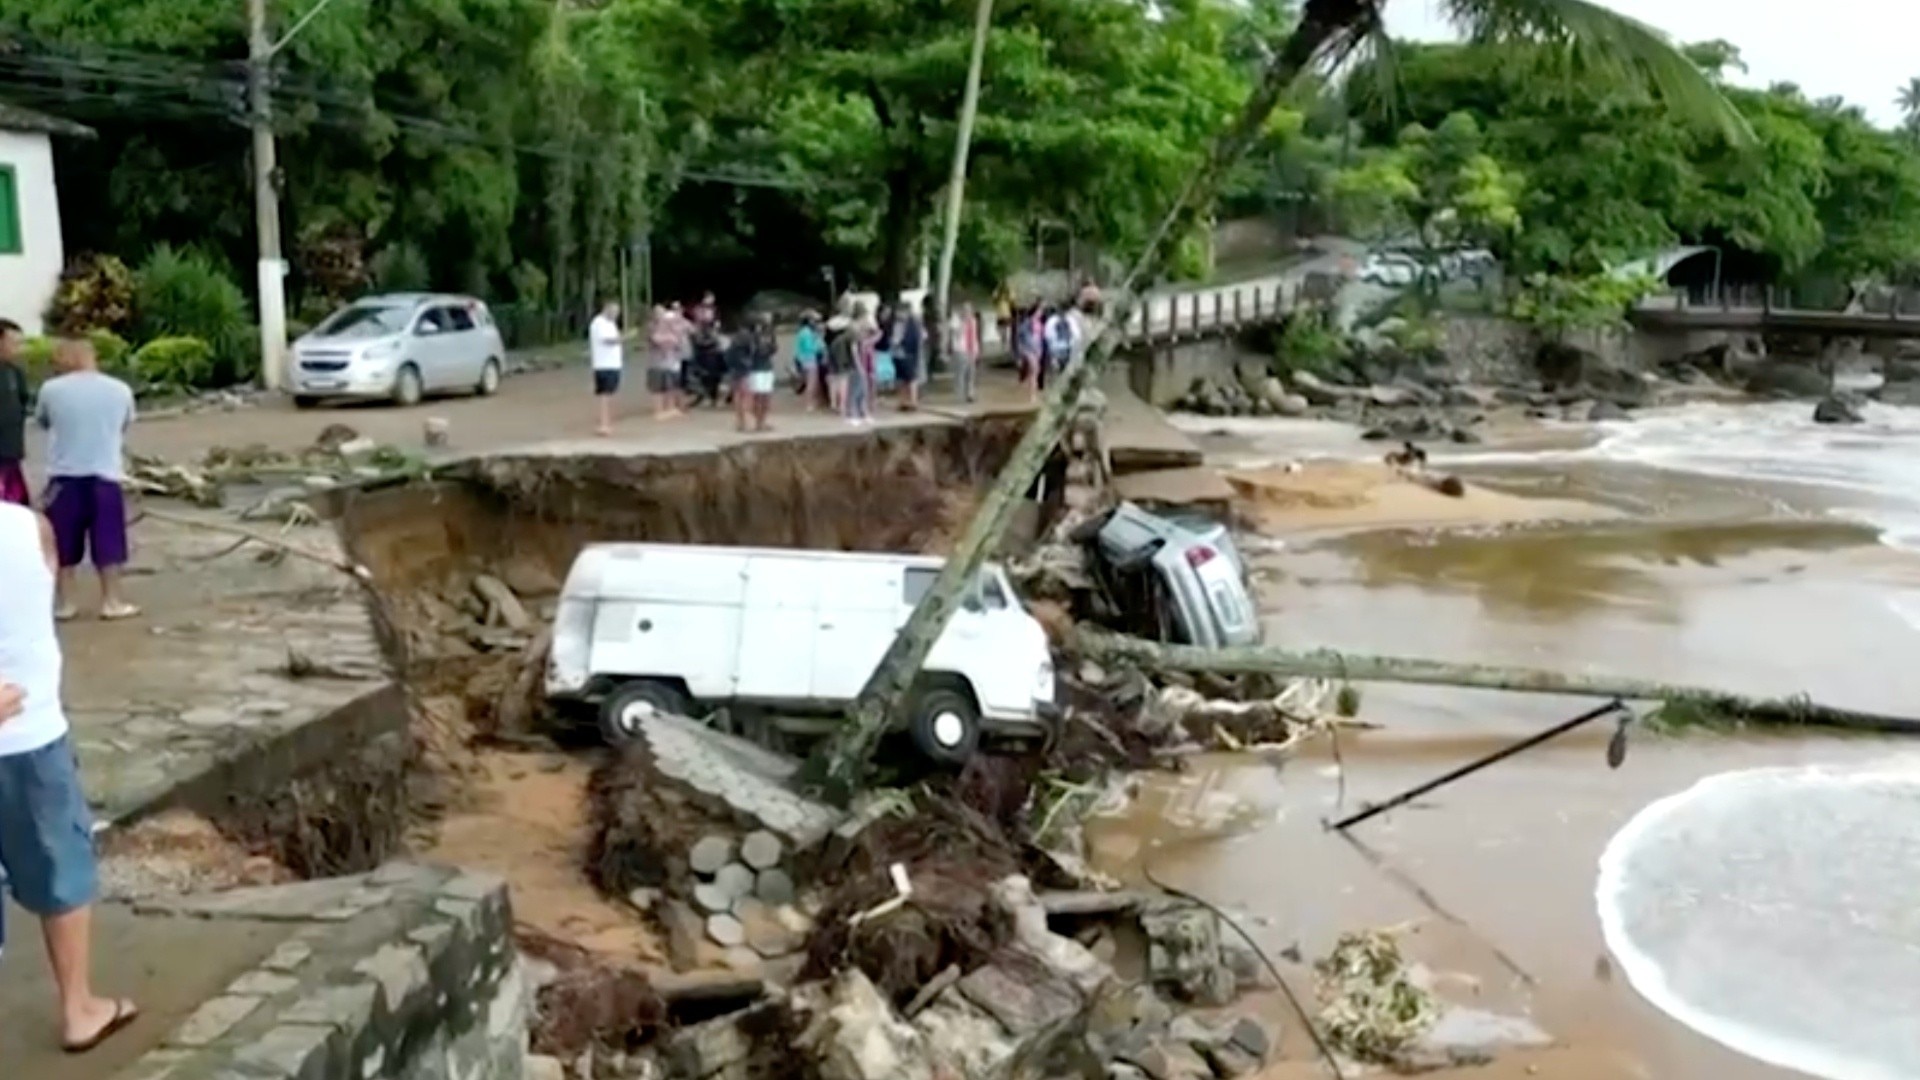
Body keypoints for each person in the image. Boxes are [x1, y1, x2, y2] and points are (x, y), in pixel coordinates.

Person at [0, 500, 140, 1053]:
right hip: (32, 737)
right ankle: (78, 1008)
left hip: (30, 732)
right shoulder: (28, 528)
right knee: (59, 865)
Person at [36, 338, 137, 621]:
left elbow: (43, 421)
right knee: (109, 541)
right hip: (106, 474)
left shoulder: (51, 390)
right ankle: (112, 601)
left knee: (62, 543)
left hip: (64, 476)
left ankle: (66, 603)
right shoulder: (120, 389)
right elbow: (125, 424)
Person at [0, 318, 29, 506]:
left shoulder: (14, 373)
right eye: (14, 343)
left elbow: (23, 403)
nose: (19, 349)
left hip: (10, 455)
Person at [588, 299, 624, 436]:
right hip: (603, 364)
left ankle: (607, 422)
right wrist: (624, 338)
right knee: (604, 394)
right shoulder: (599, 323)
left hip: (613, 363)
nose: (616, 314)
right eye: (614, 311)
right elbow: (608, 340)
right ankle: (603, 424)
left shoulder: (610, 323)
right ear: (606, 309)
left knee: (609, 394)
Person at [644, 305, 684, 420]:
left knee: (670, 385)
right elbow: (656, 341)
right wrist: (669, 340)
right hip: (655, 362)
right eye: (658, 313)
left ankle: (670, 408)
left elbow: (677, 342)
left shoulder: (669, 327)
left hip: (669, 362)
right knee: (657, 388)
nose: (661, 316)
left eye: (662, 313)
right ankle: (658, 410)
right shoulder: (651, 327)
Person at [744, 315, 777, 432]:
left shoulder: (770, 335)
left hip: (766, 368)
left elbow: (774, 349)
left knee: (766, 397)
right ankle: (758, 422)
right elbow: (753, 351)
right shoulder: (753, 337)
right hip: (756, 368)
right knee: (758, 396)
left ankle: (762, 421)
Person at [948, 302, 981, 404]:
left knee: (971, 374)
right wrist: (963, 323)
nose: (967, 312)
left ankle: (970, 394)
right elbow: (956, 333)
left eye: (969, 310)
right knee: (960, 374)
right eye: (965, 310)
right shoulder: (956, 321)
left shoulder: (973, 321)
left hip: (971, 350)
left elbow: (975, 336)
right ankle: (959, 395)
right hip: (960, 350)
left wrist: (977, 349)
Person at [793, 311, 824, 409]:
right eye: (815, 320)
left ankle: (811, 402)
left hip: (804, 359)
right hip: (809, 359)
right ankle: (809, 403)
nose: (816, 323)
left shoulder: (803, 331)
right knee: (812, 382)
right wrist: (819, 344)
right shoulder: (807, 333)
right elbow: (809, 347)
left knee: (810, 381)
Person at [894, 306, 924, 412]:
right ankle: (903, 401)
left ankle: (913, 401)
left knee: (911, 379)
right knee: (901, 379)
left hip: (908, 354)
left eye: (900, 312)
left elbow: (915, 341)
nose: (898, 314)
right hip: (897, 355)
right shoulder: (896, 324)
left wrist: (911, 353)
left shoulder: (912, 325)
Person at [824, 314, 854, 416]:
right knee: (843, 385)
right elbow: (843, 356)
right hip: (841, 366)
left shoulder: (831, 340)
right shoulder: (842, 340)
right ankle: (842, 406)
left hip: (832, 365)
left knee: (833, 384)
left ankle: (834, 404)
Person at [1014, 305, 1042, 401]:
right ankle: (1032, 395)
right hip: (1029, 349)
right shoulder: (1027, 323)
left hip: (1037, 348)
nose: (1040, 313)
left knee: (1034, 372)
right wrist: (1021, 348)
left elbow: (1039, 336)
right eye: (1039, 311)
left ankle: (1030, 389)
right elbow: (1020, 335)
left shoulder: (1038, 323)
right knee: (1034, 370)